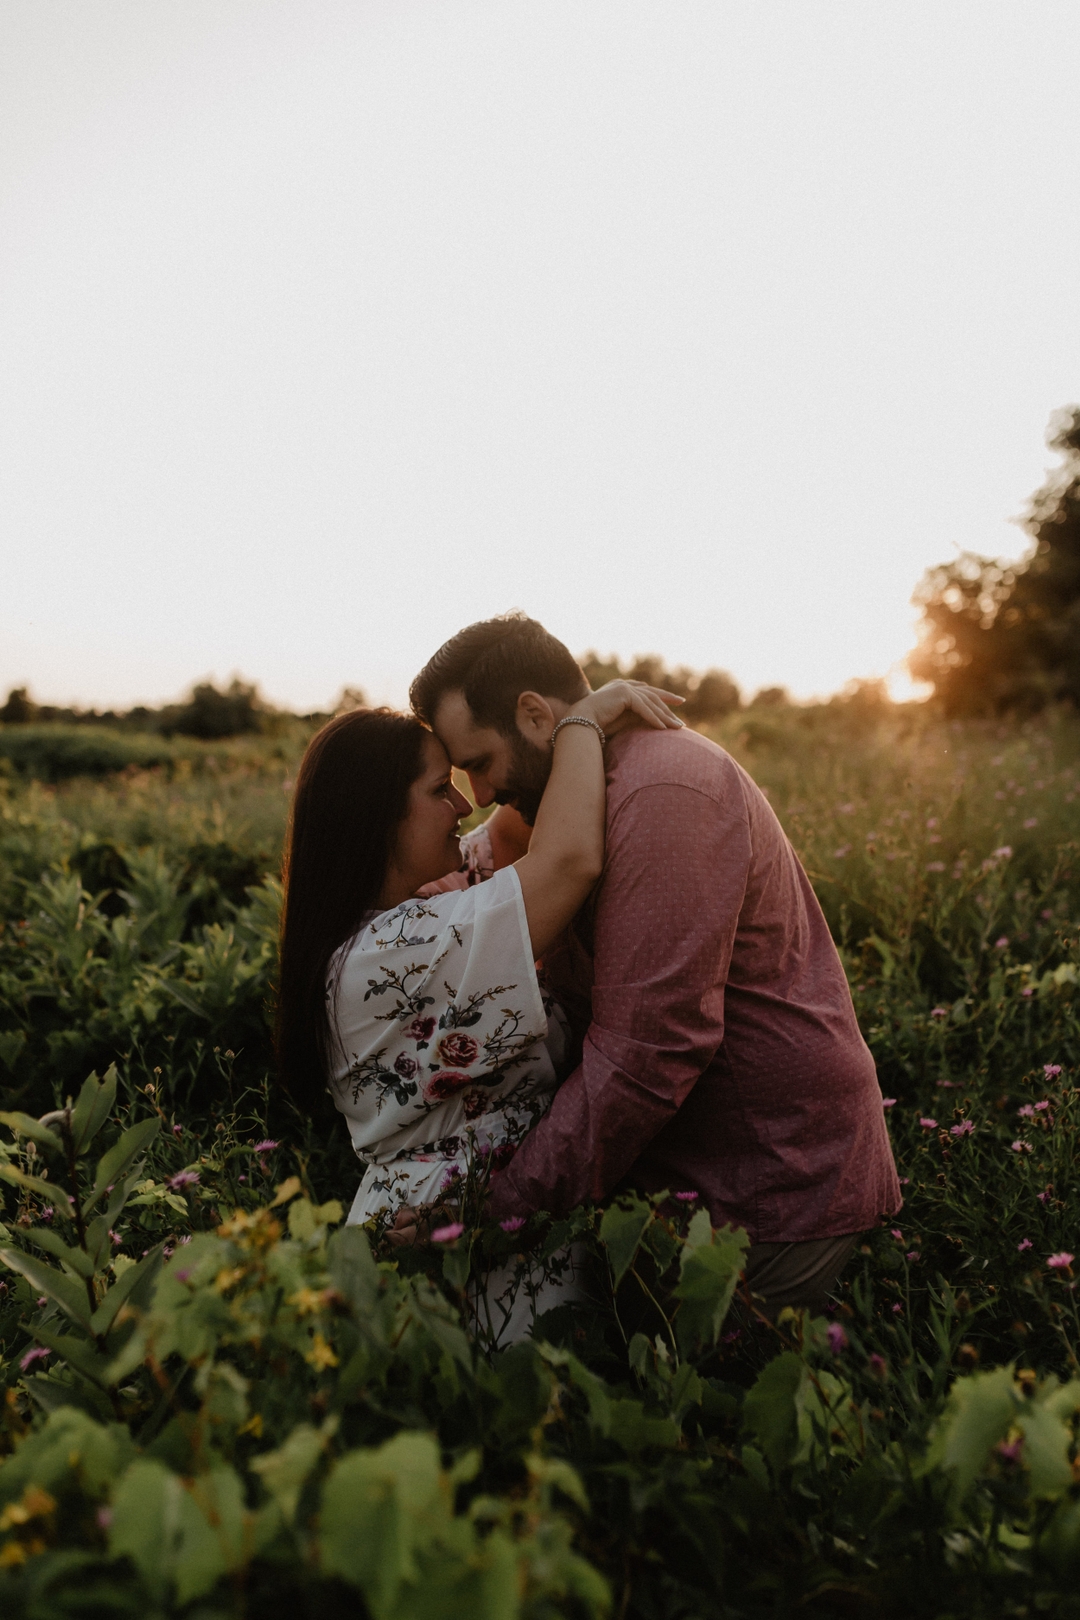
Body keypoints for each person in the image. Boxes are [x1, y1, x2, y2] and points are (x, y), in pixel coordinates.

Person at [405, 613, 902, 1317]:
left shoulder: (663, 793)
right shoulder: (575, 791)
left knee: (565, 1372)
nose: (479, 794)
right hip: (692, 1174)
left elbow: (644, 1059)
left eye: (480, 763)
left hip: (765, 1192)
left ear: (535, 715)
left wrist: (492, 1210)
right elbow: (509, 846)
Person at [274, 680, 683, 1342]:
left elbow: (511, 823)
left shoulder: (406, 920)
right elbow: (568, 858)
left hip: (489, 1239)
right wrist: (581, 723)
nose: (464, 802)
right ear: (376, 818)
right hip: (452, 1264)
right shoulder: (392, 952)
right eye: (440, 790)